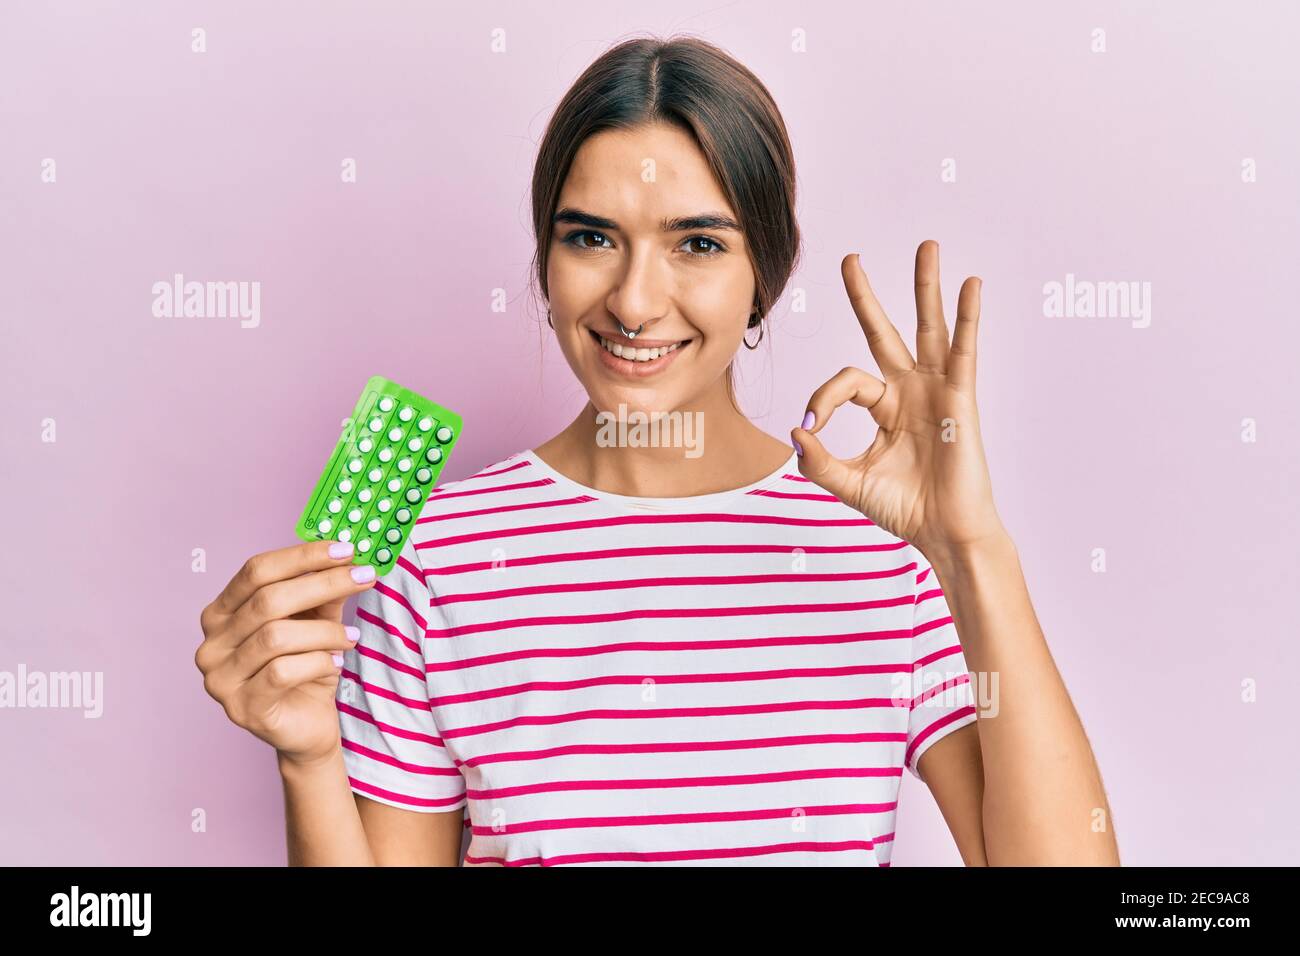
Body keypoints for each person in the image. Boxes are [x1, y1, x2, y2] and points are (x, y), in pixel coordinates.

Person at [196, 35, 1119, 867]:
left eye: (697, 244)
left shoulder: (880, 554)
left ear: (766, 272)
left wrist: (972, 549)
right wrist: (310, 759)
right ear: (544, 259)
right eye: (591, 238)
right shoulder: (434, 560)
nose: (635, 302)